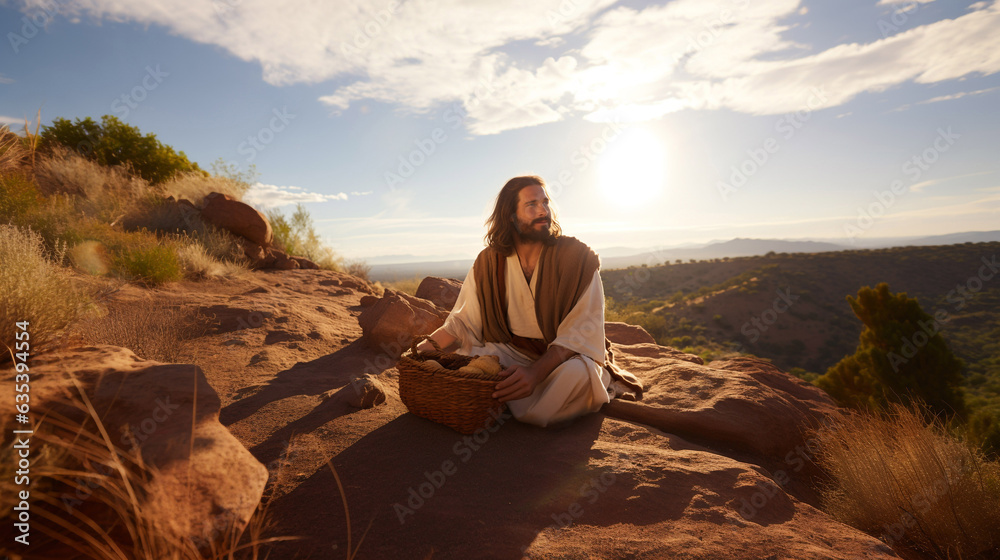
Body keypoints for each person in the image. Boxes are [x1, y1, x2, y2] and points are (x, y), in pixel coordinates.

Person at [418, 175, 643, 427]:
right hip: (510, 351)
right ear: (510, 216)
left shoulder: (576, 258)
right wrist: (420, 351)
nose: (543, 211)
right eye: (531, 205)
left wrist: (535, 373)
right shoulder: (489, 262)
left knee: (577, 376)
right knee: (476, 360)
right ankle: (502, 397)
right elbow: (460, 322)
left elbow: (580, 331)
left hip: (561, 358)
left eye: (545, 203)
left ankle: (513, 404)